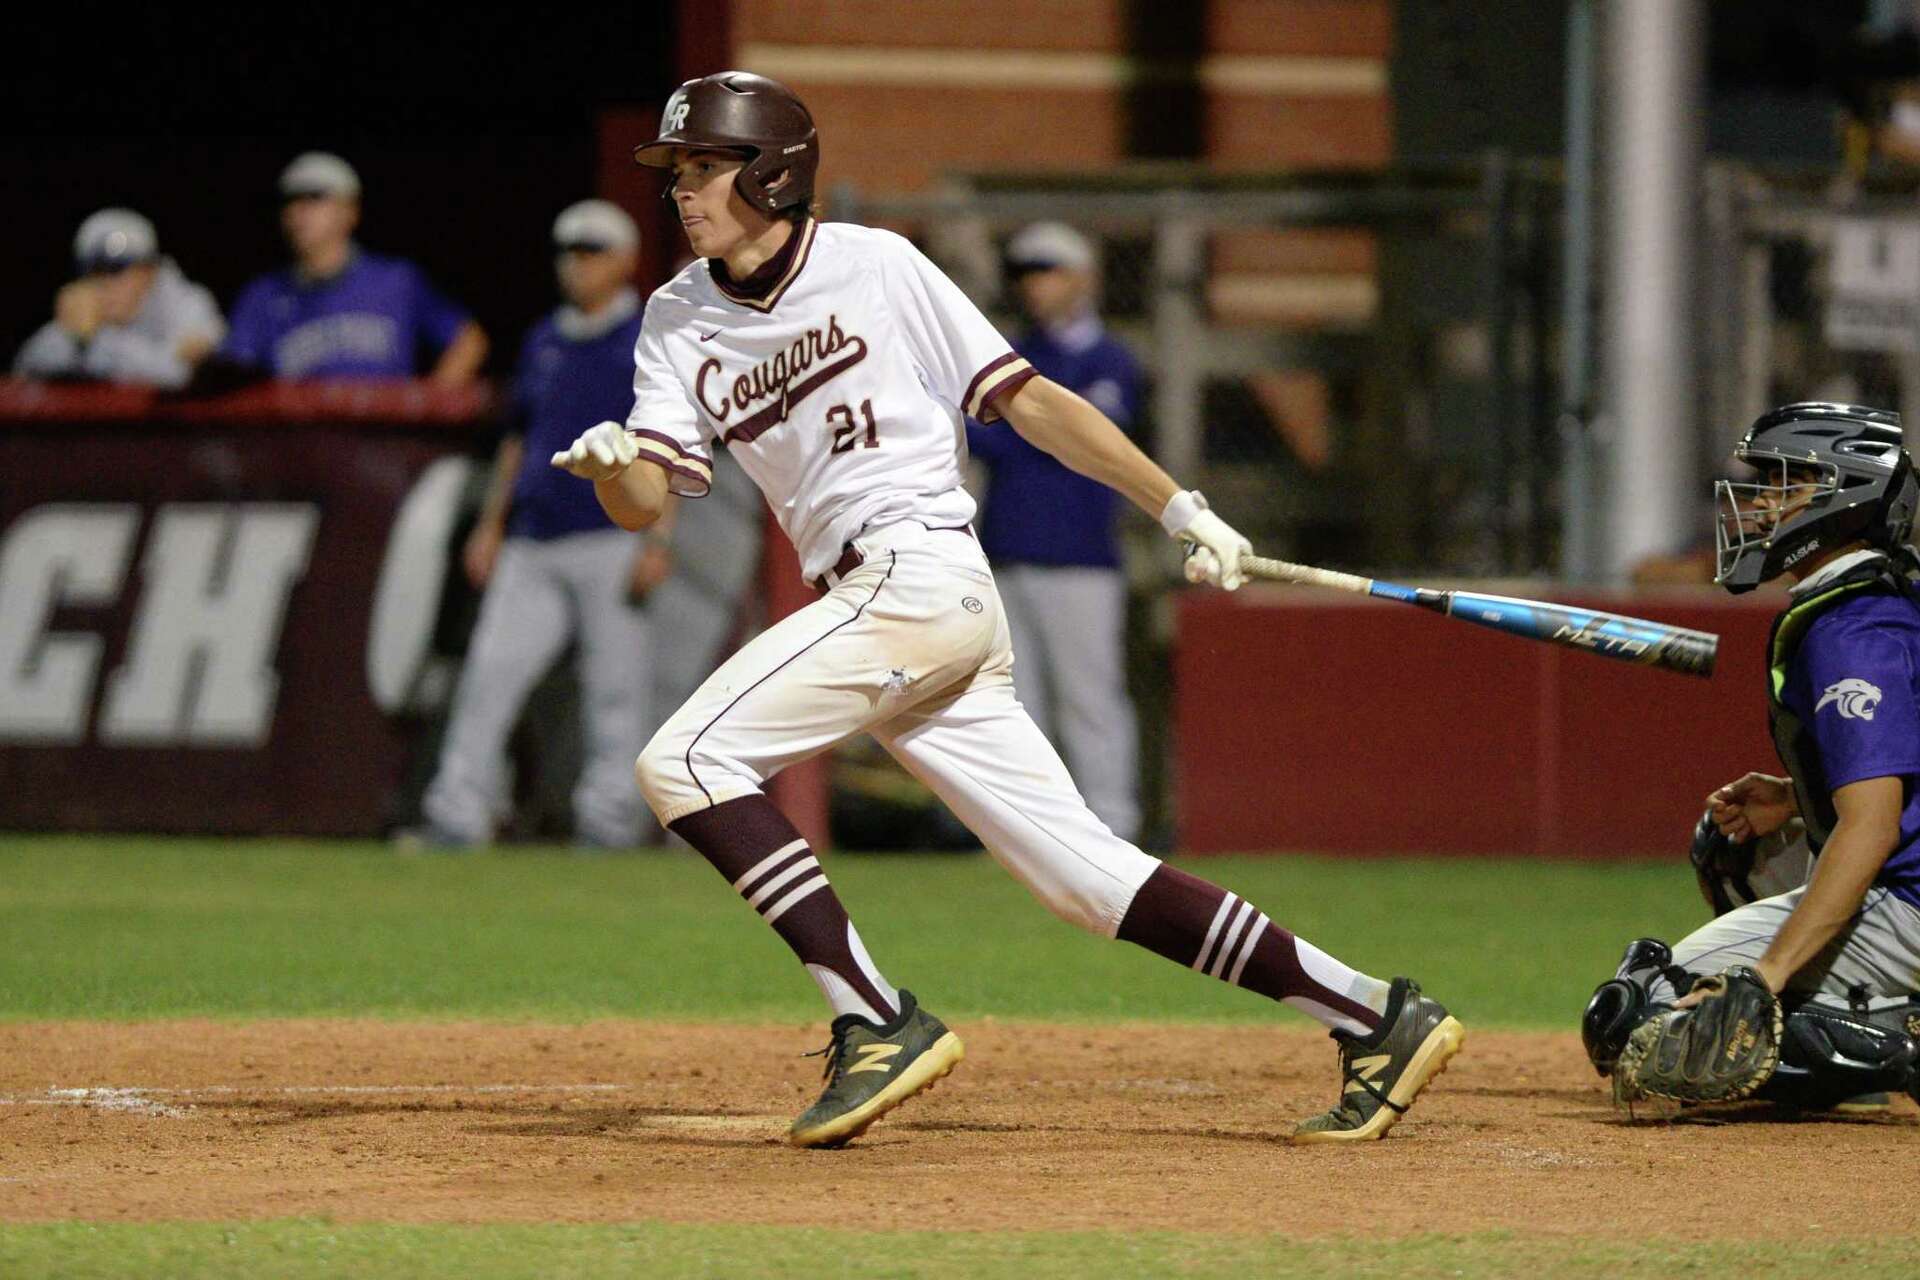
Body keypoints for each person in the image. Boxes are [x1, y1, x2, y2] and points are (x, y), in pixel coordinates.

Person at [549, 71, 1463, 1149]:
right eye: (678, 172)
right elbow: (647, 494)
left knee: (683, 760)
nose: (684, 191)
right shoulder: (676, 315)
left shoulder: (876, 265)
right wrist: (614, 467)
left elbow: (1026, 399)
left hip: (921, 578)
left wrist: (1178, 505)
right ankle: (1375, 1013)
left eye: (704, 167)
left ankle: (875, 1014)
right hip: (887, 605)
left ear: (773, 172)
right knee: (1084, 876)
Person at [1583, 402, 1920, 1113]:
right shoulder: (1885, 601)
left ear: (1842, 495)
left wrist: (1764, 977)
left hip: (1910, 899)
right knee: (1729, 845)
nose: (1760, 505)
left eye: (1784, 484)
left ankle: (1890, 1047)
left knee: (1637, 1022)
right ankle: (1858, 1022)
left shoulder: (1852, 630)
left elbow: (1871, 827)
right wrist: (1799, 798)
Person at [415, 200, 661, 849]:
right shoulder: (544, 339)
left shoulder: (645, 338)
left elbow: (670, 443)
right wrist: (492, 524)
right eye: (569, 253)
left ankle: (609, 826)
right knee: (489, 678)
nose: (576, 266)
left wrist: (660, 536)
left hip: (613, 535)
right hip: (534, 537)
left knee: (614, 693)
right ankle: (457, 815)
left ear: (625, 262)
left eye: (592, 252)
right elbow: (518, 439)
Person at [966, 222, 1145, 842]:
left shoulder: (1110, 359)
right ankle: (1035, 833)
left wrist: (1026, 431)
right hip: (1008, 551)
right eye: (1027, 275)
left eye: (1048, 271)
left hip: (1081, 559)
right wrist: (1037, 432)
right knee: (1019, 703)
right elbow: (985, 435)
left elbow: (1082, 436)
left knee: (1089, 698)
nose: (1035, 287)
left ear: (1083, 278)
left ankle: (1113, 826)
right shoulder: (1012, 354)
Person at [221, 152, 487, 381]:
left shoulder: (396, 281)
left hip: (386, 438)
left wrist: (427, 404)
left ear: (350, 211)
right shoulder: (263, 296)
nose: (299, 210)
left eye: (315, 196)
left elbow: (468, 341)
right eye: (289, 199)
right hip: (302, 440)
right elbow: (229, 373)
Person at [14, 208, 224, 389]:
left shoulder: (188, 304)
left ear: (148, 271)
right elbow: (25, 369)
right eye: (95, 271)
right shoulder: (84, 316)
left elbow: (180, 377)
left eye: (117, 269)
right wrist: (77, 340)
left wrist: (96, 341)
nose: (105, 283)